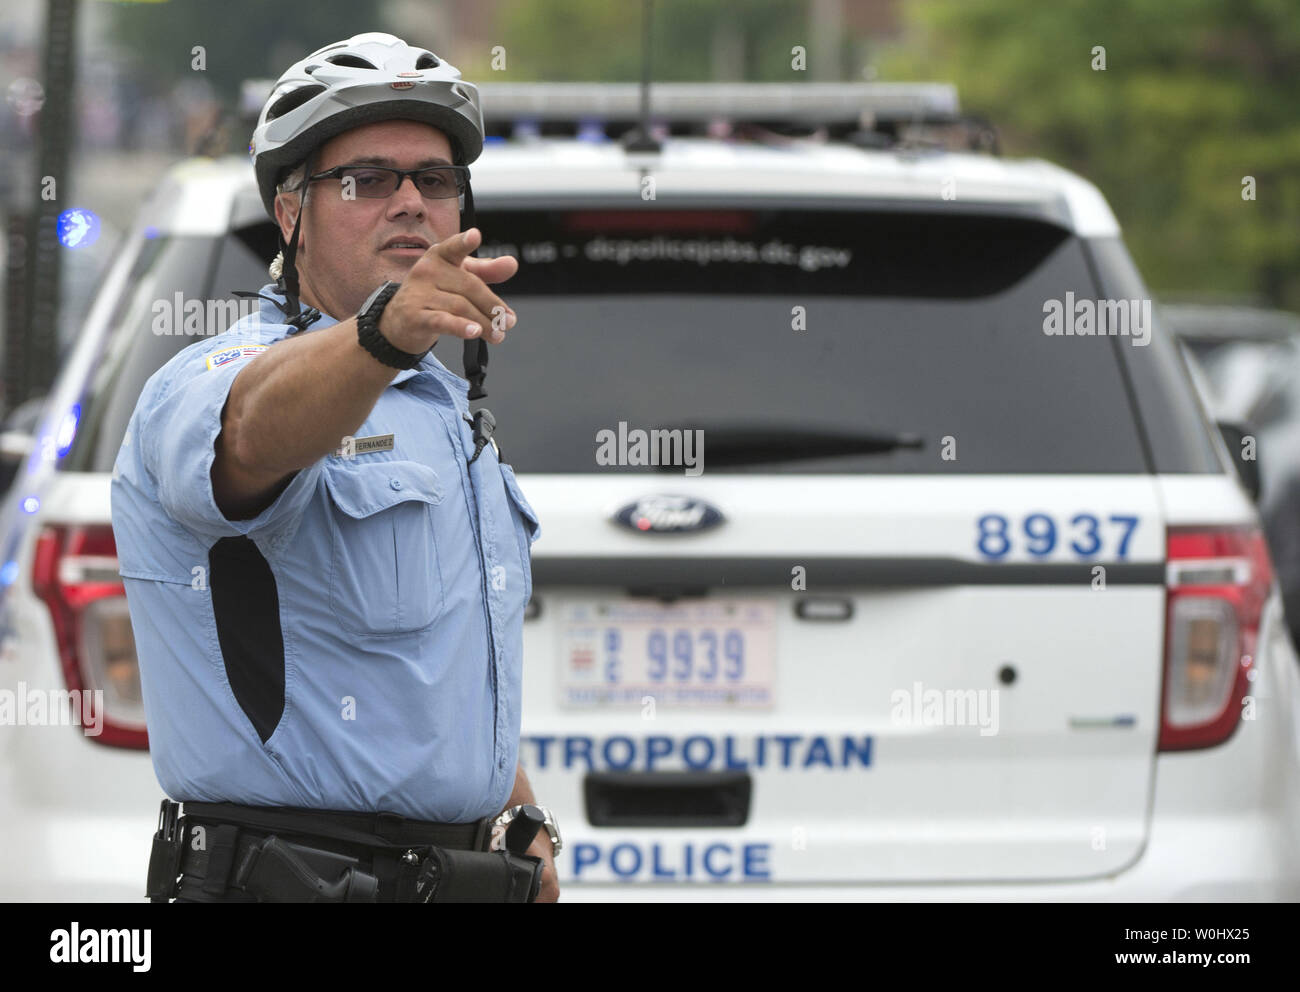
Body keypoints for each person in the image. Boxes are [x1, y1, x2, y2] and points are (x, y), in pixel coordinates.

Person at [111, 32, 560, 902]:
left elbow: (446, 667)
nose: (409, 203)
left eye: (434, 180)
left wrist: (521, 825)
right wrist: (380, 335)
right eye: (365, 180)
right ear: (290, 214)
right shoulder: (209, 381)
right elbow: (250, 433)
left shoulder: (444, 412)